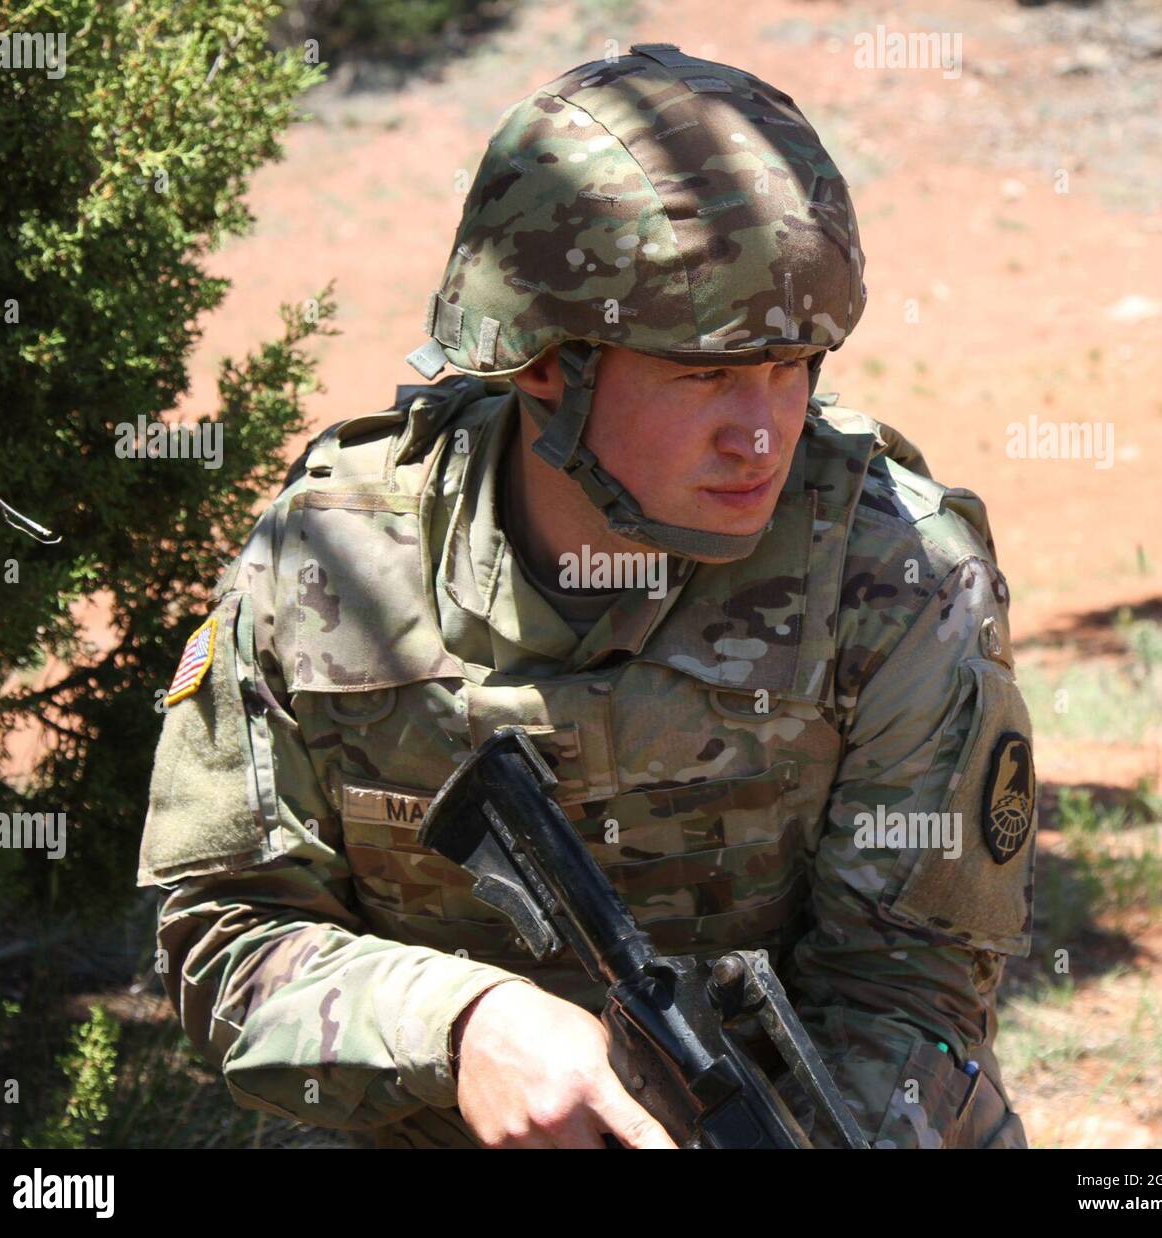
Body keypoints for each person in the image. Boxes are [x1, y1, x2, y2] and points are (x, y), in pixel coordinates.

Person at [138, 43, 1034, 1149]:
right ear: (544, 363)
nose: (762, 432)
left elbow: (912, 990)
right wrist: (464, 1023)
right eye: (706, 372)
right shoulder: (327, 568)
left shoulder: (896, 575)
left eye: (793, 364)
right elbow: (225, 934)